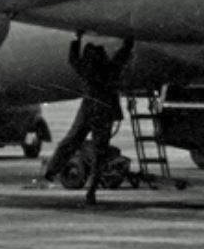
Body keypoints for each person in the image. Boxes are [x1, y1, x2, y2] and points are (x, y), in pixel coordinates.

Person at [43, 35, 136, 204]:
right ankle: (91, 190)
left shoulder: (87, 71)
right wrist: (128, 41)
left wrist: (76, 39)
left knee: (71, 140)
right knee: (99, 152)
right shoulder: (110, 70)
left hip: (89, 108)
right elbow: (123, 54)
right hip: (103, 109)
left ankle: (51, 171)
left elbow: (73, 59)